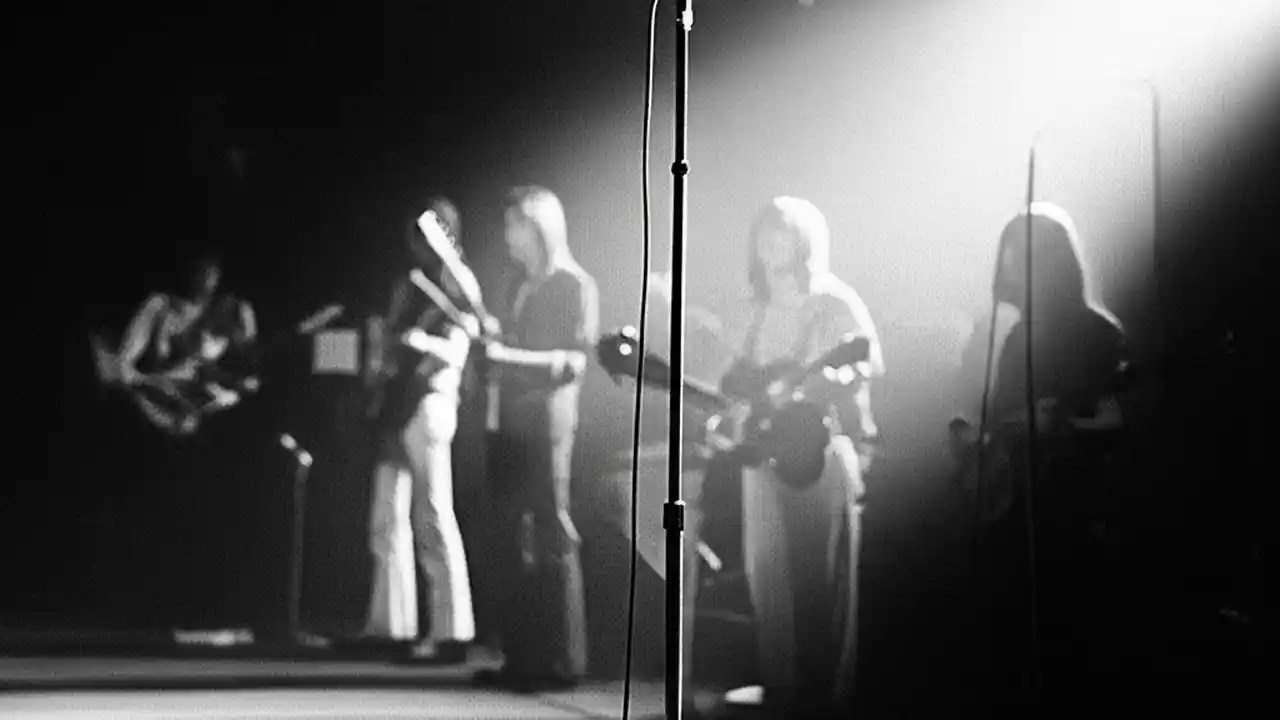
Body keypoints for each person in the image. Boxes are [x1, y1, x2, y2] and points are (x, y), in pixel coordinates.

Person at [697, 196, 883, 717]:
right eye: (763, 232)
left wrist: (823, 385)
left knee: (821, 585)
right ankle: (782, 693)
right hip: (763, 460)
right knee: (769, 581)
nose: (769, 242)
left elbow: (867, 366)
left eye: (780, 232)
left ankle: (826, 701)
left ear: (803, 241)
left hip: (821, 456)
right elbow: (730, 384)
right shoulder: (752, 310)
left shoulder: (833, 301)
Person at [949, 201, 1129, 709]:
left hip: (1069, 515)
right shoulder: (1014, 337)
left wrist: (1061, 428)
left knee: (1068, 654)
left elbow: (1116, 423)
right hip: (1013, 515)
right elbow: (997, 416)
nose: (1010, 271)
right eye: (1007, 259)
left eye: (1021, 259)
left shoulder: (1098, 333)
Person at [478, 186, 598, 691]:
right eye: (507, 224)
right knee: (509, 534)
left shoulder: (574, 284)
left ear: (541, 227)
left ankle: (564, 660)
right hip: (506, 418)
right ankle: (520, 656)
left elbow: (572, 363)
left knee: (551, 529)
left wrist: (506, 357)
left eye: (517, 224)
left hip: (547, 420)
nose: (509, 235)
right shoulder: (515, 285)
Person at [361, 197, 477, 663]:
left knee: (433, 516)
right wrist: (383, 357)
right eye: (414, 235)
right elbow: (388, 340)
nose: (417, 244)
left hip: (429, 404)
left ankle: (452, 631)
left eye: (427, 234)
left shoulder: (457, 282)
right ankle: (391, 626)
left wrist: (420, 341)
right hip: (397, 407)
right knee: (387, 517)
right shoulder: (409, 285)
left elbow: (461, 347)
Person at [92, 254, 258, 436]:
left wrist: (227, 385)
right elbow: (170, 326)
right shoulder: (187, 308)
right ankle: (122, 370)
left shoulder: (214, 344)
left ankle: (128, 380)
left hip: (162, 373)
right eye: (203, 274)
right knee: (157, 306)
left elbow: (196, 366)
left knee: (186, 419)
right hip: (150, 354)